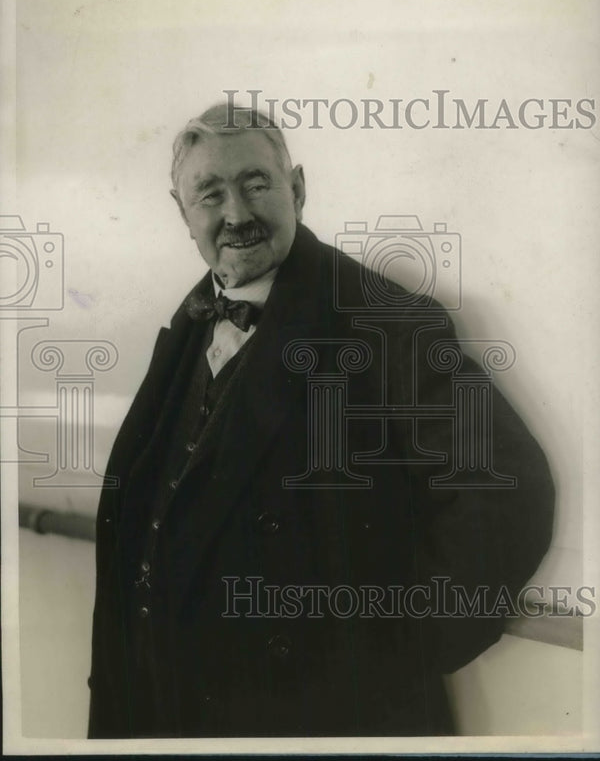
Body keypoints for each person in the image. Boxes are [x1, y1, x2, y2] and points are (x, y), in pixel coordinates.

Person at [88, 103, 555, 738]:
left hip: (320, 723)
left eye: (256, 183)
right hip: (170, 717)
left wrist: (389, 654)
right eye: (210, 194)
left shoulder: (383, 320)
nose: (237, 215)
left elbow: (507, 492)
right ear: (182, 212)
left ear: (298, 189)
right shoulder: (188, 327)